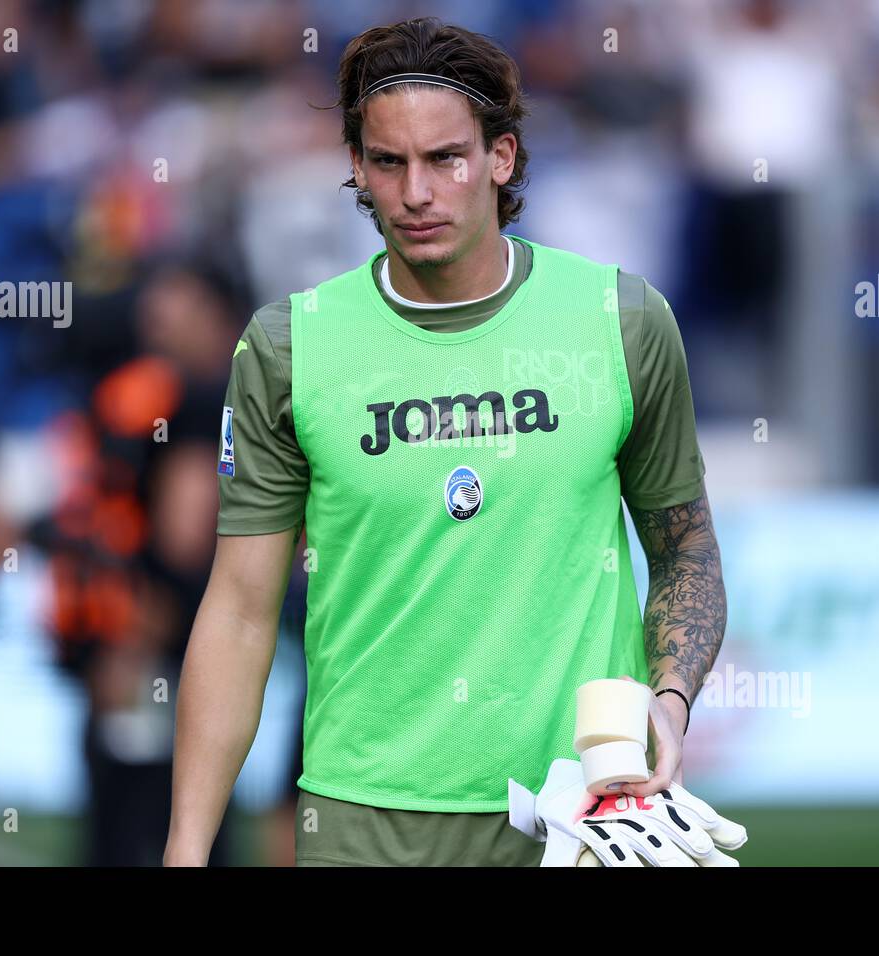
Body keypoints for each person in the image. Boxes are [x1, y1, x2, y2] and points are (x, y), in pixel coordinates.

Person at [164, 17, 726, 867]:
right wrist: (187, 846)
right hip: (361, 825)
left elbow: (685, 552)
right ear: (356, 167)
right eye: (388, 163)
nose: (416, 193)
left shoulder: (622, 321)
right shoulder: (287, 347)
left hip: (582, 814)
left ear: (501, 157)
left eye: (446, 159)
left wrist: (670, 703)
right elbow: (240, 612)